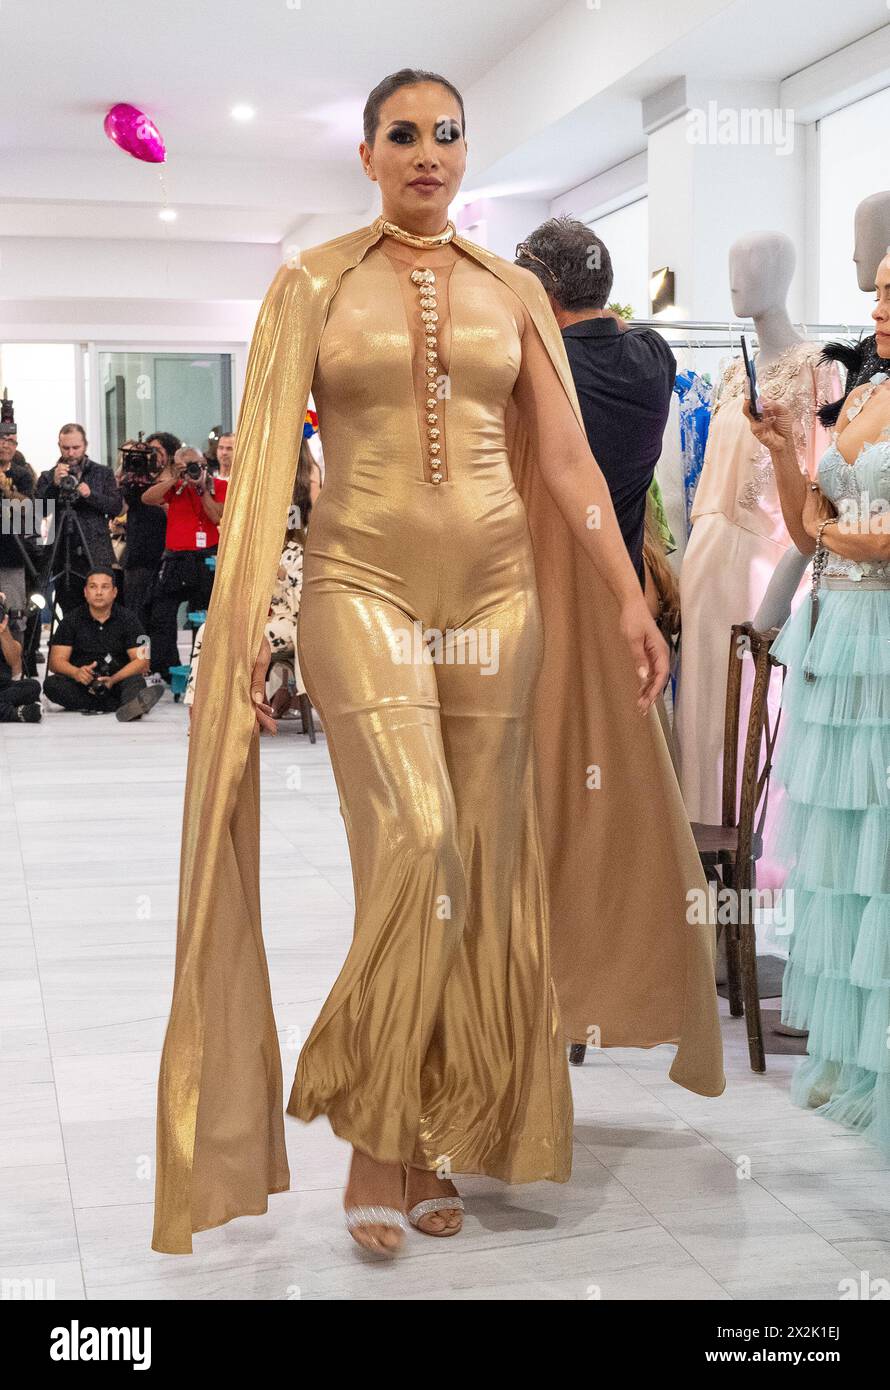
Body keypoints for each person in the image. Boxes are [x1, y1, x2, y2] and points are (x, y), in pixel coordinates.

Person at [152, 68, 723, 1259]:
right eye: (402, 135)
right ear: (365, 153)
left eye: (446, 136)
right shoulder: (310, 284)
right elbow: (261, 474)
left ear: (466, 155)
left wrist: (628, 596)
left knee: (481, 865)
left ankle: (438, 1130)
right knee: (416, 840)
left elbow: (567, 469)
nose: (426, 153)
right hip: (360, 588)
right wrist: (243, 633)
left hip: (499, 598)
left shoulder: (510, 291)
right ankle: (371, 1127)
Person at [742, 252, 890, 1155]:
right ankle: (856, 1056)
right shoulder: (866, 392)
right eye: (877, 287)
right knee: (842, 853)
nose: (881, 304)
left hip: (883, 634)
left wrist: (842, 535)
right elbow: (812, 530)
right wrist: (784, 453)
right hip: (840, 630)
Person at [515, 216, 677, 586]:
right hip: (625, 577)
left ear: (543, 296)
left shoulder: (538, 370)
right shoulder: (655, 357)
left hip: (548, 580)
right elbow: (625, 329)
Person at [141, 446, 226, 683]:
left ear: (204, 463)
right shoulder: (175, 487)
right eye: (184, 466)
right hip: (175, 559)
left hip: (206, 558)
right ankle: (168, 670)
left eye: (194, 464)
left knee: (203, 617)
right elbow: (147, 498)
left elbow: (217, 516)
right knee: (161, 613)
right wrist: (176, 480)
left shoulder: (219, 486)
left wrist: (200, 489)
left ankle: (201, 671)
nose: (191, 470)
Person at [43, 568, 163, 720]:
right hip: (83, 683)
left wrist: (113, 680)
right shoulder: (70, 620)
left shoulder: (131, 619)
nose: (99, 592)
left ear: (114, 592)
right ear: (85, 592)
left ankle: (126, 703)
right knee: (52, 684)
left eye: (105, 587)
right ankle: (123, 706)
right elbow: (55, 662)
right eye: (93, 587)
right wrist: (76, 672)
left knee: (136, 681)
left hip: (118, 680)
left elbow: (143, 662)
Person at [34, 425, 121, 618]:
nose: (71, 453)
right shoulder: (48, 476)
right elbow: (38, 511)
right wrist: (54, 486)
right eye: (66, 448)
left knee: (102, 608)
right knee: (70, 611)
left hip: (95, 551)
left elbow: (115, 506)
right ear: (59, 446)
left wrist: (90, 494)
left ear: (85, 445)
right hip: (63, 551)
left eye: (76, 447)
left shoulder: (102, 473)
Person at [119, 432, 181, 630]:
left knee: (162, 618)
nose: (152, 455)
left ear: (170, 455)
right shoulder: (136, 478)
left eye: (157, 451)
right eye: (149, 450)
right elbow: (119, 506)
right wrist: (127, 463)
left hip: (166, 557)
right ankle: (141, 659)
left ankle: (163, 660)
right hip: (139, 556)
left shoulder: (177, 481)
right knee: (136, 617)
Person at [0, 590, 42, 723]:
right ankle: (15, 713)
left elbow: (15, 667)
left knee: (32, 686)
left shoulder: (5, 632)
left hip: (3, 688)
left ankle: (5, 708)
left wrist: (4, 631)